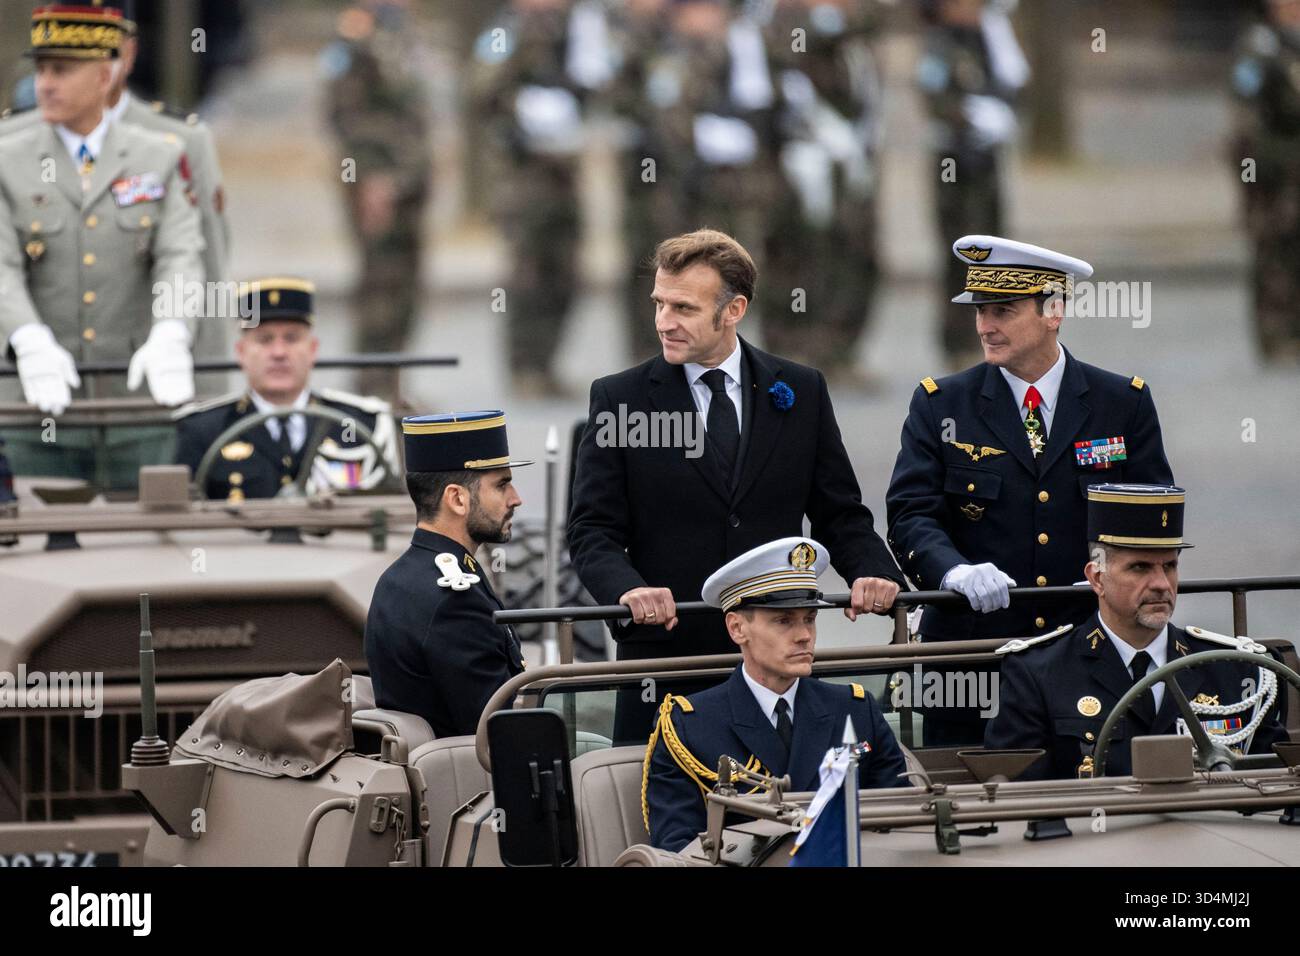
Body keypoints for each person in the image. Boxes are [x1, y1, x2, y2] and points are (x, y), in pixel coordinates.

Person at [568, 229, 905, 741]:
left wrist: (875, 573)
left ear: (734, 310)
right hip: (667, 664)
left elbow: (839, 513)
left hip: (773, 663)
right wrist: (628, 589)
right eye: (659, 303)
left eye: (683, 308)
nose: (664, 322)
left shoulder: (800, 389)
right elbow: (593, 531)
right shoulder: (622, 399)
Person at [886, 235, 1174, 745]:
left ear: (1053, 310)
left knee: (1101, 784)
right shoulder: (942, 404)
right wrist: (953, 570)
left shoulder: (1120, 403)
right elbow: (911, 514)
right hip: (972, 656)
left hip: (1089, 643)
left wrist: (1116, 576)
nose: (985, 326)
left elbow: (1153, 516)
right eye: (980, 310)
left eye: (1003, 310)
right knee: (968, 798)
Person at [0, 3, 204, 488]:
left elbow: (181, 255)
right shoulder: (9, 160)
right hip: (38, 408)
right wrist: (27, 340)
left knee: (148, 542)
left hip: (136, 404)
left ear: (105, 76)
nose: (45, 83)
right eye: (42, 69)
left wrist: (173, 332)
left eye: (63, 70)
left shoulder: (158, 156)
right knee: (40, 548)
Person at [985, 484, 1289, 780]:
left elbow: (1280, 784)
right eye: (1140, 568)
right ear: (1097, 578)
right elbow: (1019, 796)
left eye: (1169, 566)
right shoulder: (1039, 674)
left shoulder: (1233, 669)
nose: (1161, 583)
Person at [642, 536, 909, 853]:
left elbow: (900, 821)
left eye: (809, 618)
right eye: (784, 621)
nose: (804, 635)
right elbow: (681, 849)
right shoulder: (690, 726)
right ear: (737, 628)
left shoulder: (854, 708)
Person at [471, 0, 612, 397]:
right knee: (528, 273)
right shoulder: (506, 31)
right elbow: (483, 87)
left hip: (565, 174)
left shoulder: (577, 27)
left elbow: (598, 83)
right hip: (523, 178)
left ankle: (547, 363)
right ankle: (524, 366)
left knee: (566, 271)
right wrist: (525, 108)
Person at [364, 411, 531, 738]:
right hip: (472, 780)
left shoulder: (399, 578)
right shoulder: (455, 599)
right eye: (502, 485)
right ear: (457, 499)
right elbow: (498, 730)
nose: (516, 499)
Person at [173, 278, 399, 501]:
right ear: (241, 352)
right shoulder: (203, 430)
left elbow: (386, 511)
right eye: (264, 340)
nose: (279, 352)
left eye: (291, 338)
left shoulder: (356, 424)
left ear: (312, 350)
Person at [761, 0, 885, 388]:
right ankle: (789, 350)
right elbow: (779, 73)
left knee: (854, 252)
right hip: (798, 158)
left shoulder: (854, 34)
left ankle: (838, 349)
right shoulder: (783, 26)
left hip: (850, 160)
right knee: (797, 253)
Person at [322, 0, 433, 399]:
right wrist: (370, 178)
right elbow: (343, 114)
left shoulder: (401, 32)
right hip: (375, 183)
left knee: (405, 286)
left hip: (408, 183)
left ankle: (393, 383)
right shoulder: (356, 35)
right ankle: (370, 387)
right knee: (379, 285)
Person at [917, 0, 1028, 368]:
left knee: (994, 246)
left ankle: (992, 336)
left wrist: (1001, 114)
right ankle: (960, 343)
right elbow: (935, 98)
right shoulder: (939, 43)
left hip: (984, 160)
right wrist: (970, 117)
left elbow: (1010, 82)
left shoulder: (985, 37)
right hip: (954, 162)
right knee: (962, 255)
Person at [1231, 0, 1300, 363]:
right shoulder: (1262, 47)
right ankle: (1276, 337)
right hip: (1274, 175)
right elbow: (1246, 119)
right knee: (1274, 251)